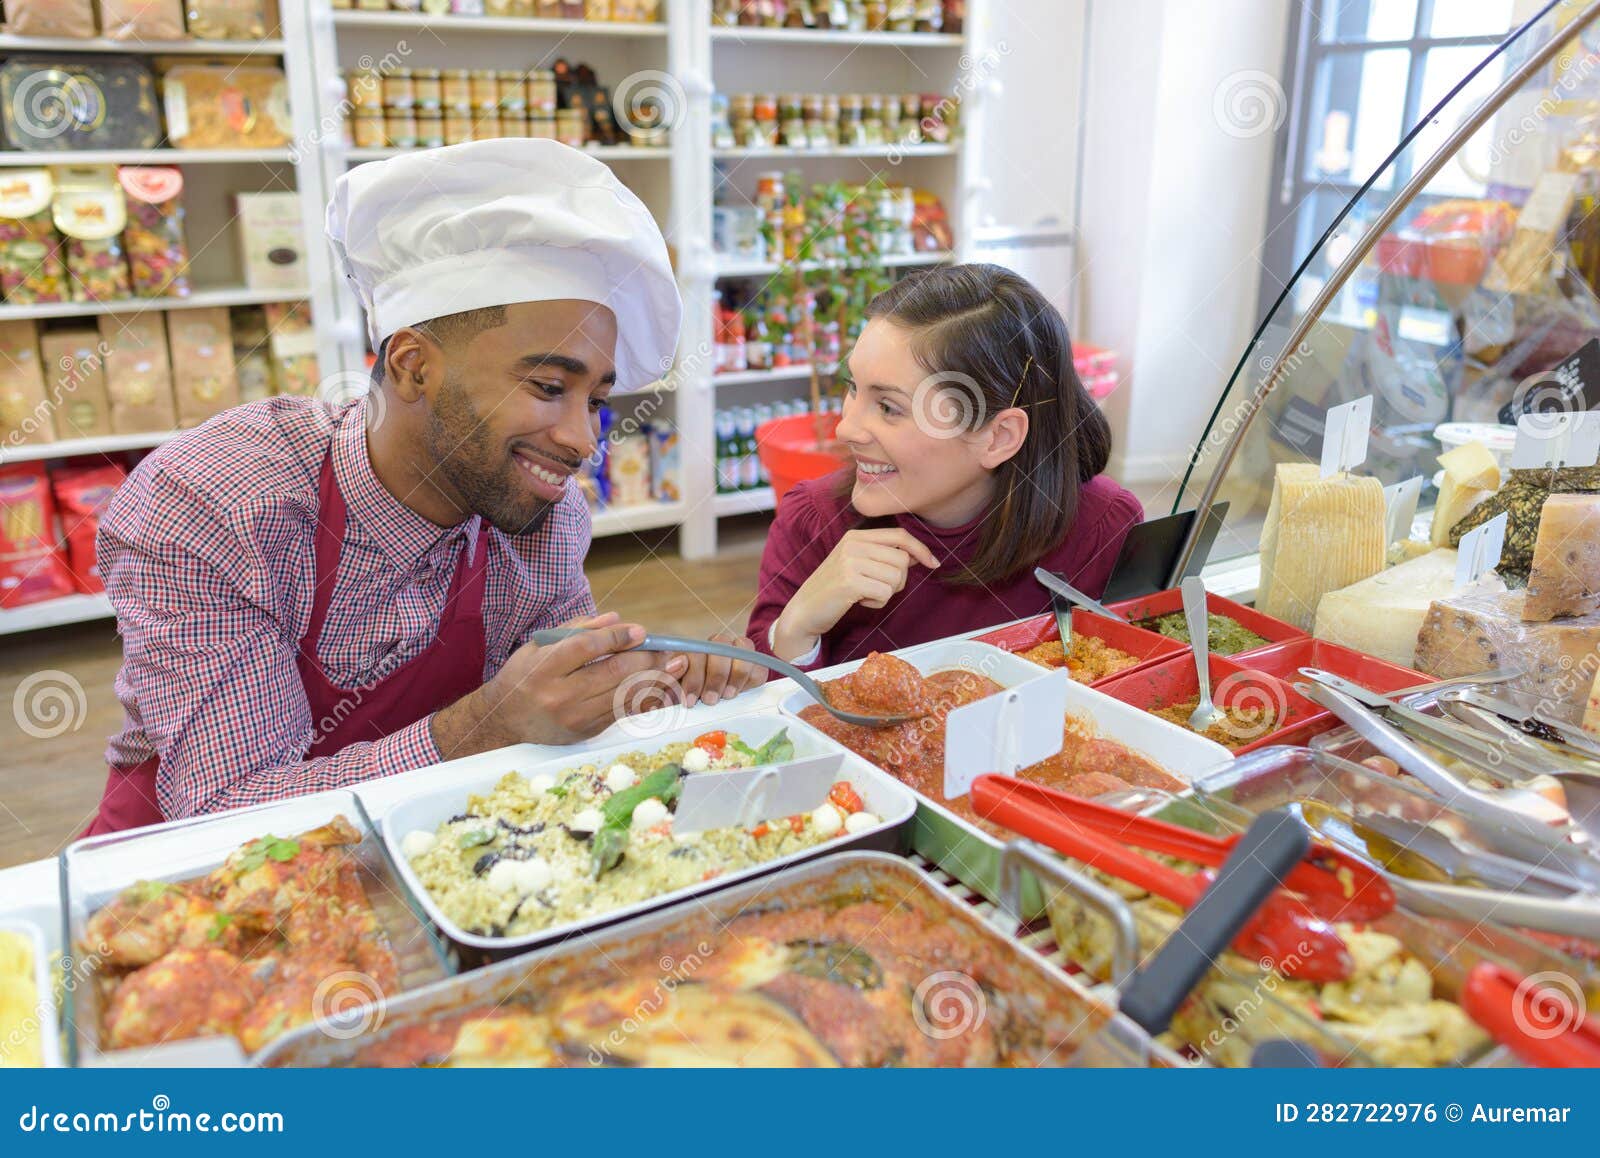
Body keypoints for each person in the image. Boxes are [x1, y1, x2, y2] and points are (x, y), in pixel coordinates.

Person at [86, 139, 763, 834]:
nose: (584, 442)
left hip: (433, 846)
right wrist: (482, 726)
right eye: (549, 387)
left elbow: (545, 723)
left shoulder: (543, 517)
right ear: (412, 365)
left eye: (594, 399)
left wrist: (641, 692)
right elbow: (223, 812)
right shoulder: (216, 505)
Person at [748, 263, 1142, 669]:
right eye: (853, 388)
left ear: (999, 437)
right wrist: (797, 629)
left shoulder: (1104, 527)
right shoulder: (811, 522)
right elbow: (761, 716)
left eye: (888, 407)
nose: (846, 428)